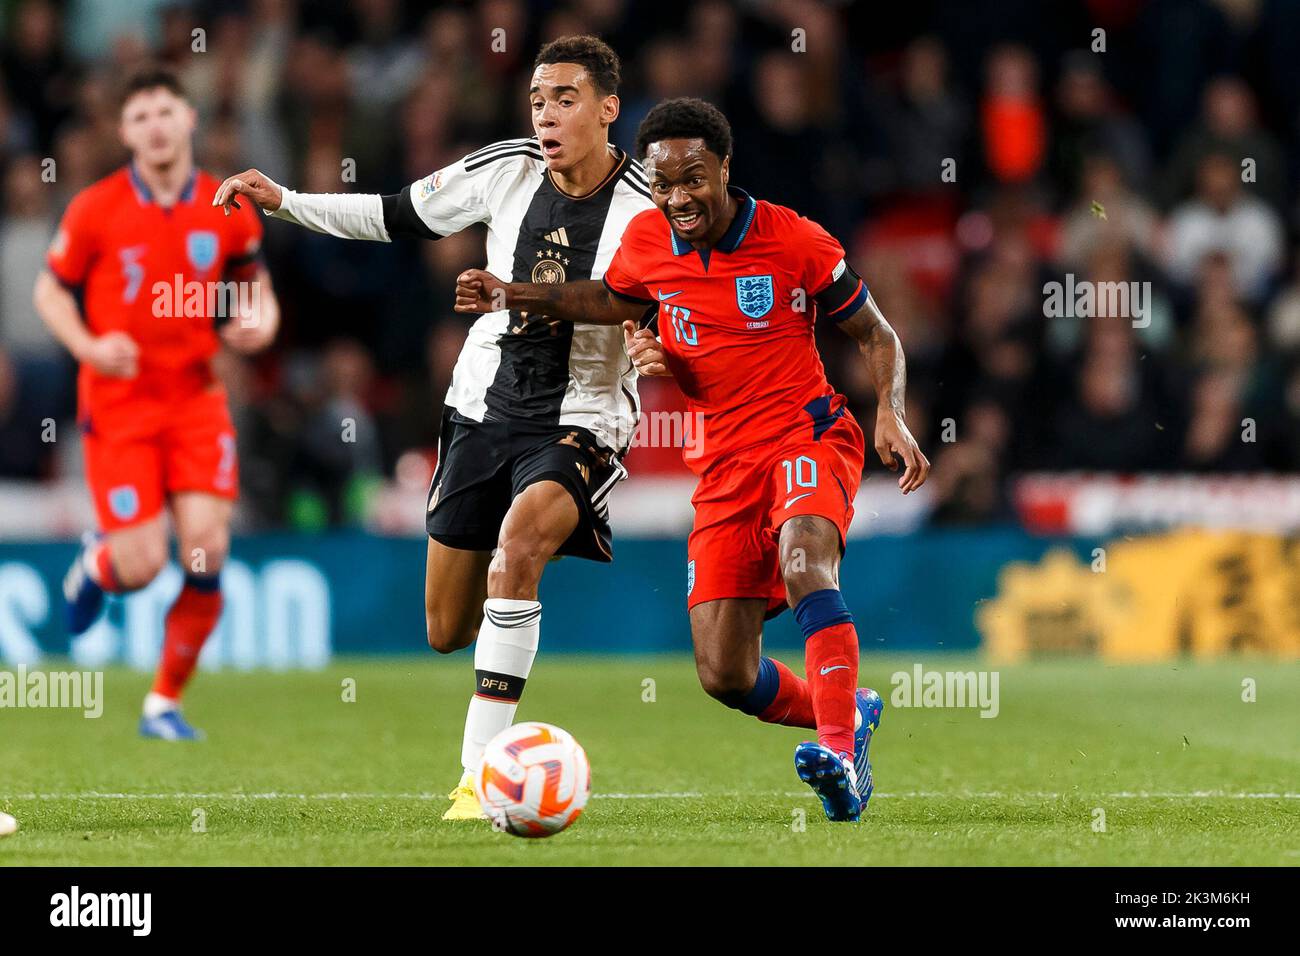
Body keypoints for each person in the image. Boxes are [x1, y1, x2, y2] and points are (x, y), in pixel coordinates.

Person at [214, 36, 654, 820]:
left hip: (582, 416)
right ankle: (500, 658)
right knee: (447, 627)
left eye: (566, 99)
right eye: (537, 99)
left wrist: (660, 338)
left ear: (609, 109)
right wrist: (287, 199)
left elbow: (661, 296)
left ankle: (475, 778)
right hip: (484, 405)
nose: (546, 115)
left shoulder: (648, 204)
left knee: (518, 553)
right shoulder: (507, 167)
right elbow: (396, 213)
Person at [455, 98, 930, 822]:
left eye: (693, 179)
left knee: (806, 559)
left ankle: (841, 758)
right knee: (725, 672)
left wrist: (889, 408)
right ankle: (847, 711)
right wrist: (514, 293)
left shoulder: (791, 238)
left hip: (807, 434)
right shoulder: (648, 242)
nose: (678, 197)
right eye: (664, 182)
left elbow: (875, 332)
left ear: (724, 170)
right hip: (723, 467)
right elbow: (610, 300)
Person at [34, 67, 280, 740]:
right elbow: (50, 293)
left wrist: (260, 322)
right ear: (124, 132)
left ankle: (162, 704)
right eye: (140, 116)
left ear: (189, 118)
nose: (155, 125)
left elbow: (252, 286)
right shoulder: (95, 208)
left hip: (196, 400)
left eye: (165, 110)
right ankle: (97, 564)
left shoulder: (227, 205)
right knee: (140, 566)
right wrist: (87, 344)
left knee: (206, 550)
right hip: (120, 404)